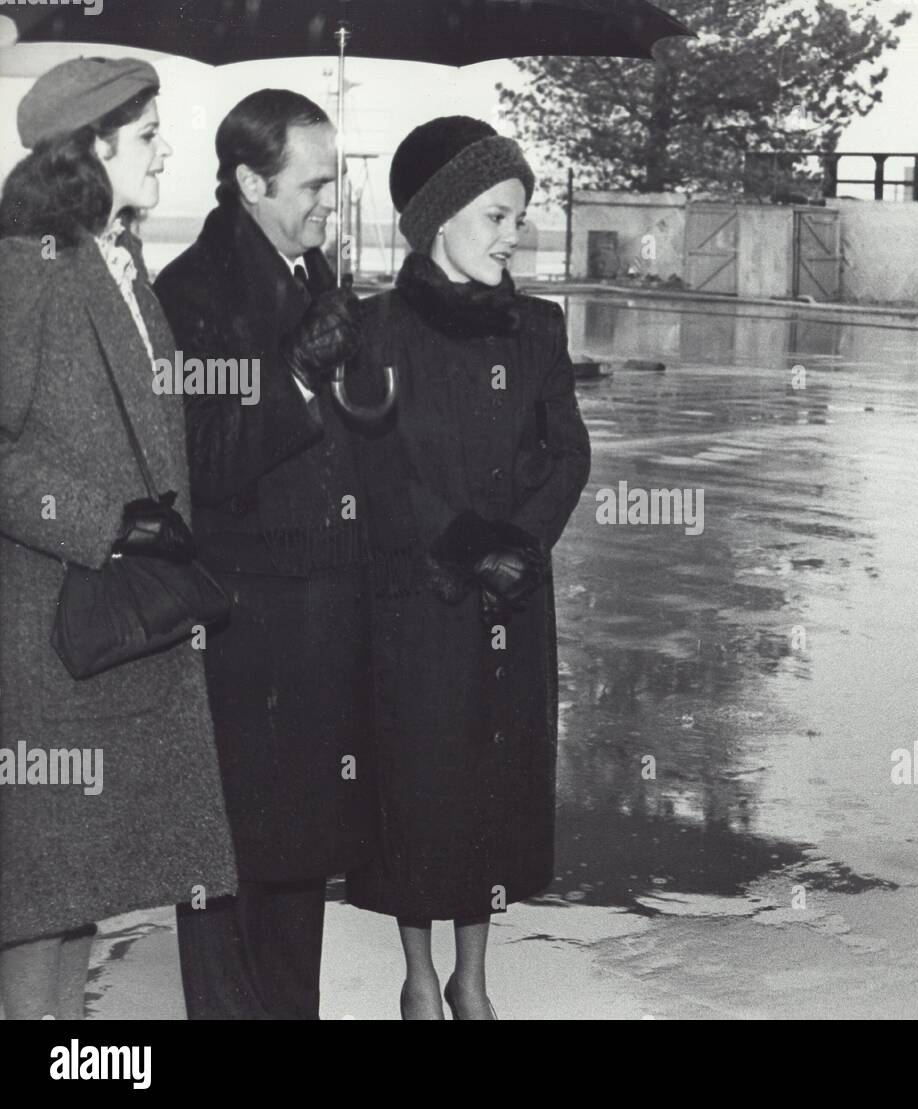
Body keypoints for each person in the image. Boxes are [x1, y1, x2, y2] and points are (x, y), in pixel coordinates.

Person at [0, 57, 237, 1019]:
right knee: (39, 901)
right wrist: (106, 522)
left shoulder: (119, 261)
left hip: (118, 629)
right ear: (89, 154)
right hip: (53, 632)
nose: (166, 149)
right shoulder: (25, 271)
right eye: (146, 137)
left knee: (81, 896)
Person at [346, 117, 591, 1019]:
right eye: (494, 214)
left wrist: (519, 548)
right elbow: (376, 466)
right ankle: (416, 973)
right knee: (418, 784)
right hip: (418, 597)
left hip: (512, 598)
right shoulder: (375, 330)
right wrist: (460, 545)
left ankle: (474, 979)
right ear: (437, 217)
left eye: (519, 217)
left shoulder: (538, 327)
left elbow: (568, 454)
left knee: (492, 784)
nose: (511, 234)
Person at [152, 90, 375, 1019]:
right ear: (250, 179)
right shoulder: (192, 291)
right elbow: (197, 461)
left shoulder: (311, 268)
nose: (331, 199)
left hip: (319, 616)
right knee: (228, 862)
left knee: (296, 860)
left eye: (335, 179)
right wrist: (294, 376)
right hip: (243, 625)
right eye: (314, 182)